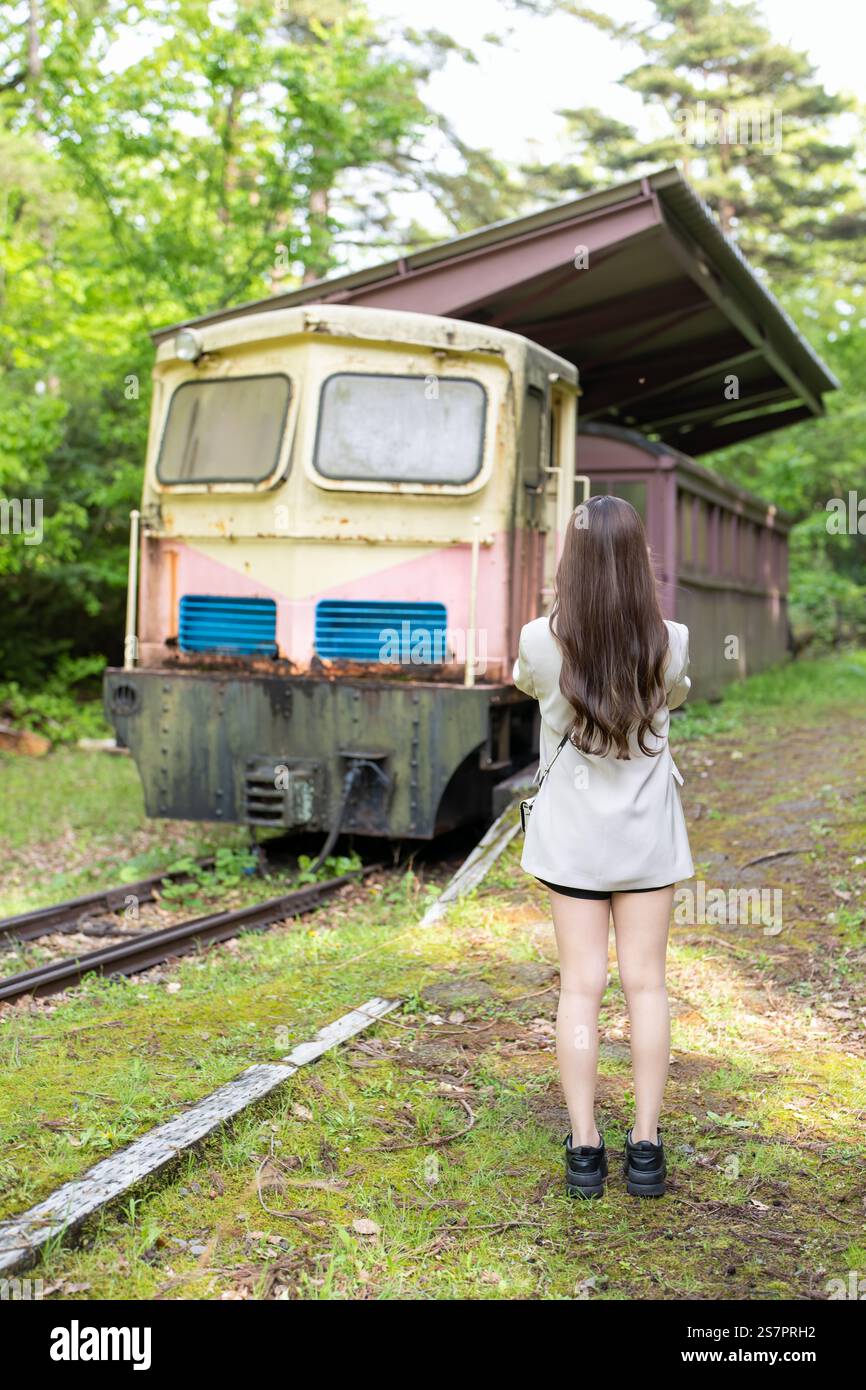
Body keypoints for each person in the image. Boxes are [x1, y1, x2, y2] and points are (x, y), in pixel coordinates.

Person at [512, 494, 693, 1199]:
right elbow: (673, 697)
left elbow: (529, 686)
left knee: (579, 990)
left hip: (575, 845)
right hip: (647, 840)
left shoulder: (538, 639)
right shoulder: (671, 638)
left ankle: (585, 1149)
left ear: (573, 560)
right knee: (647, 985)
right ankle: (645, 1149)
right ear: (638, 560)